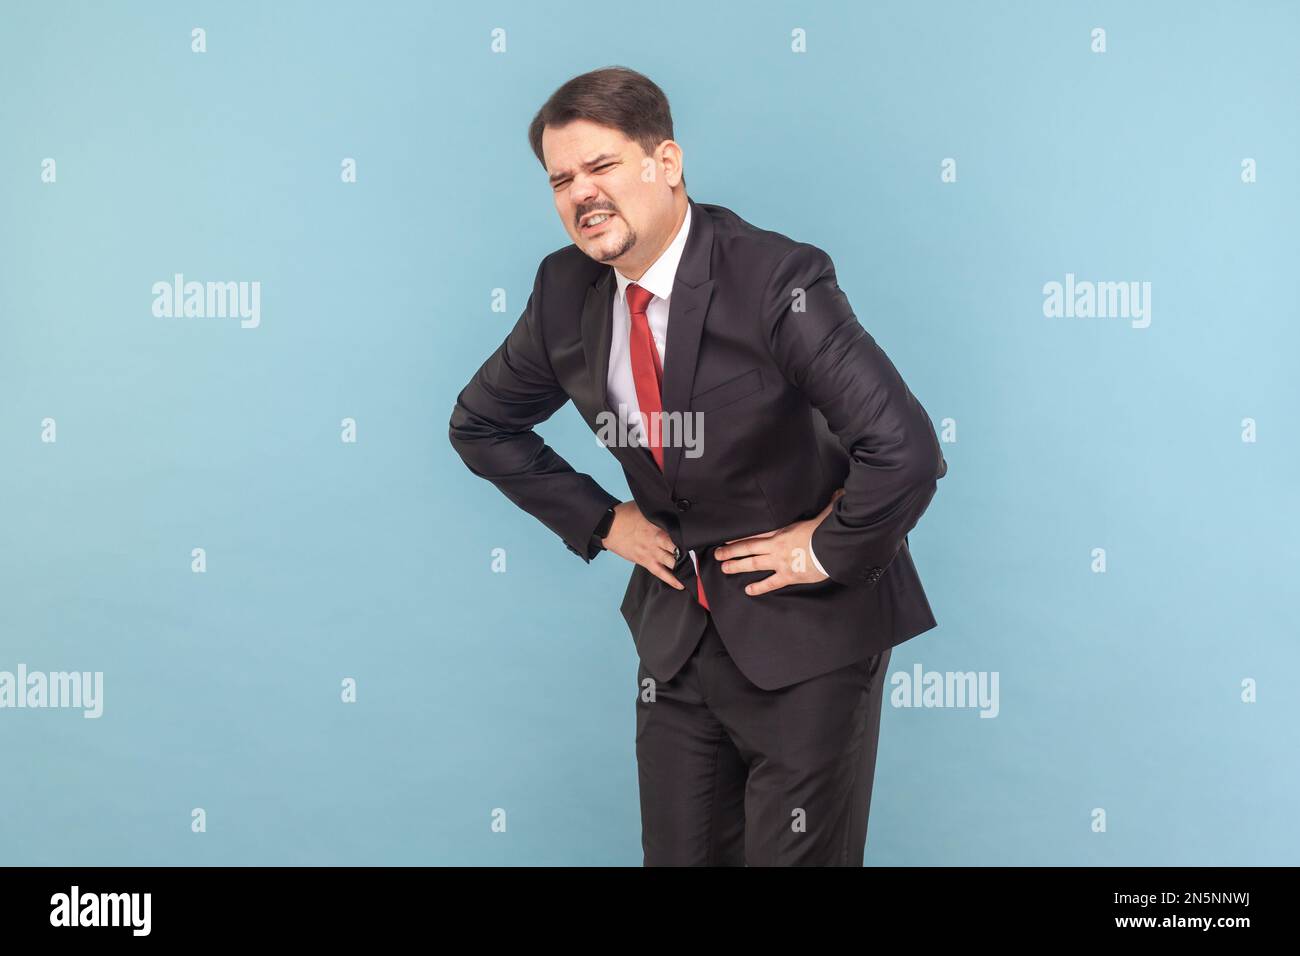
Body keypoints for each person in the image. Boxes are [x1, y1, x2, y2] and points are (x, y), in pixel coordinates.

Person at [448, 66, 947, 866]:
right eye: (561, 179)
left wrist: (821, 550)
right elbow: (480, 425)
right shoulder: (564, 290)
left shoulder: (776, 279)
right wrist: (604, 520)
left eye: (602, 166)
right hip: (677, 645)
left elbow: (907, 451)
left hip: (808, 643)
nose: (582, 194)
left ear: (666, 163)